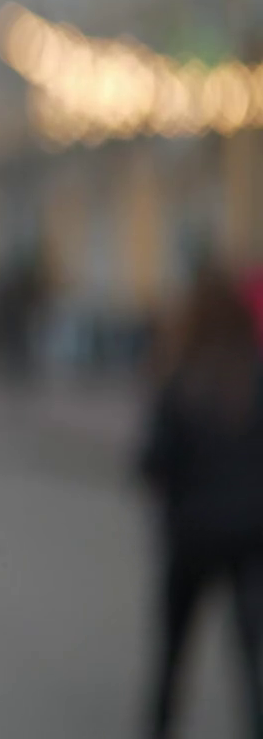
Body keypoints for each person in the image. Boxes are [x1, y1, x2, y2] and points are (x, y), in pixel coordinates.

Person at [140, 265, 263, 738]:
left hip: (191, 538)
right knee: (252, 658)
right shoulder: (256, 376)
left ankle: (161, 728)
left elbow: (152, 463)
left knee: (174, 654)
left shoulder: (178, 380)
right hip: (251, 538)